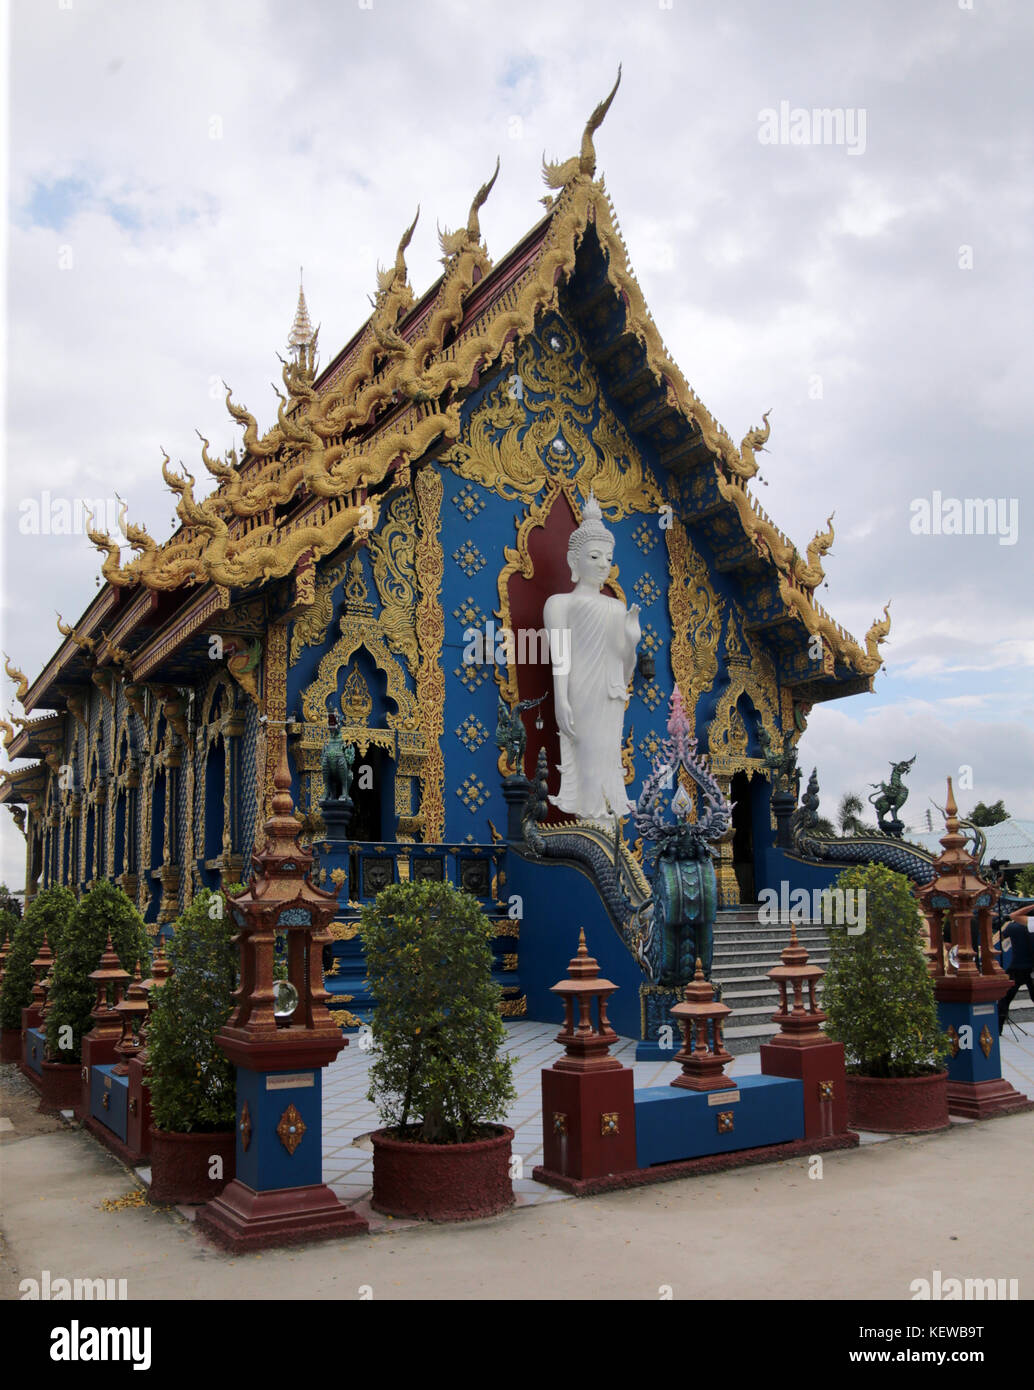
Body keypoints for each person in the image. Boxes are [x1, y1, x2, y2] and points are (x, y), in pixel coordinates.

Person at [543, 491, 640, 823]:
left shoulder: (616, 606)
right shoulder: (560, 603)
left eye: (608, 559)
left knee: (608, 756)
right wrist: (561, 700)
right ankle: (589, 824)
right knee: (586, 755)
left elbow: (625, 667)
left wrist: (632, 641)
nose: (603, 565)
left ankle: (606, 824)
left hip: (609, 693)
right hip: (580, 691)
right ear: (574, 561)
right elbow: (560, 656)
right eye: (595, 557)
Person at [998, 904, 1034, 1034]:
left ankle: (998, 1027)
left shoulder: (1013, 927)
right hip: (1031, 969)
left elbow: (1001, 938)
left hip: (1016, 966)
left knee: (1005, 998)